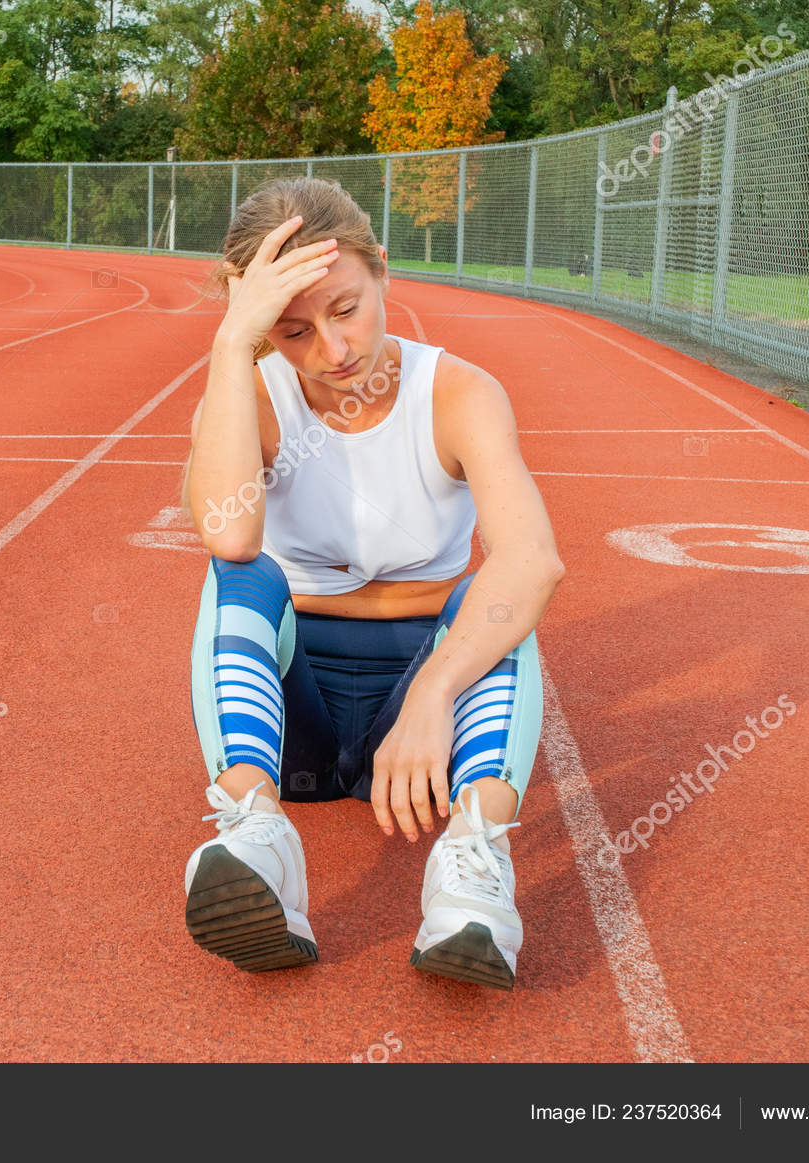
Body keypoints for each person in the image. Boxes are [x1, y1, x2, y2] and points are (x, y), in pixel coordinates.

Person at [180, 177, 564, 988]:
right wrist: (228, 347)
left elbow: (534, 556)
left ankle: (471, 860)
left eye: (346, 308)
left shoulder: (458, 394)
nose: (333, 349)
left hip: (426, 706)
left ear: (383, 270)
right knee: (235, 573)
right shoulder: (249, 393)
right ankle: (256, 830)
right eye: (291, 329)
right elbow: (228, 528)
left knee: (498, 596)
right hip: (297, 719)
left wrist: (431, 695)